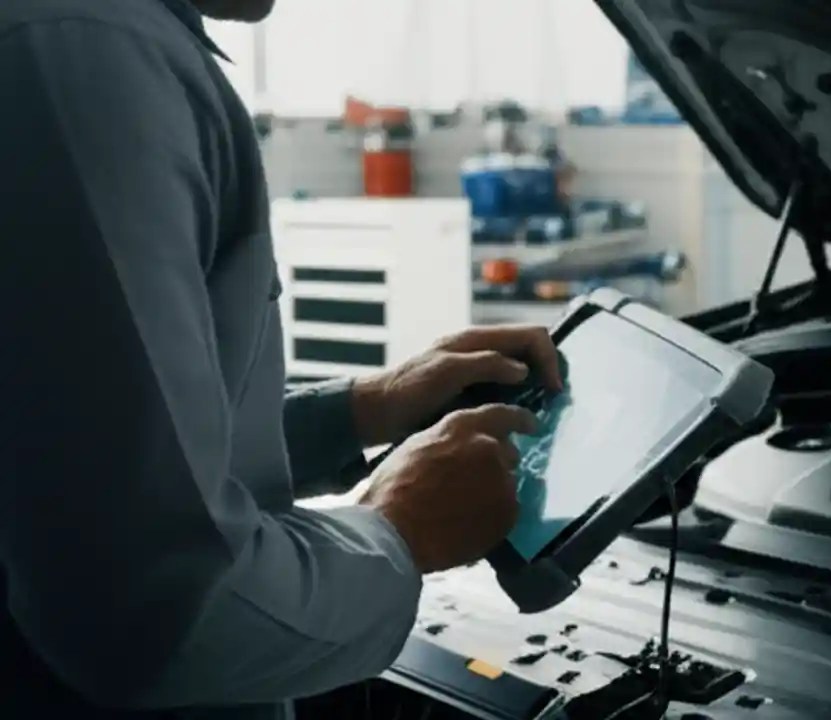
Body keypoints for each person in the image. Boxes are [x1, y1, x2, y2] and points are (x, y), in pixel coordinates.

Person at [0, 0, 560, 717]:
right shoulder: (85, 49)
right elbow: (159, 618)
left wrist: (360, 409)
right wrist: (399, 530)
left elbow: (77, 455)